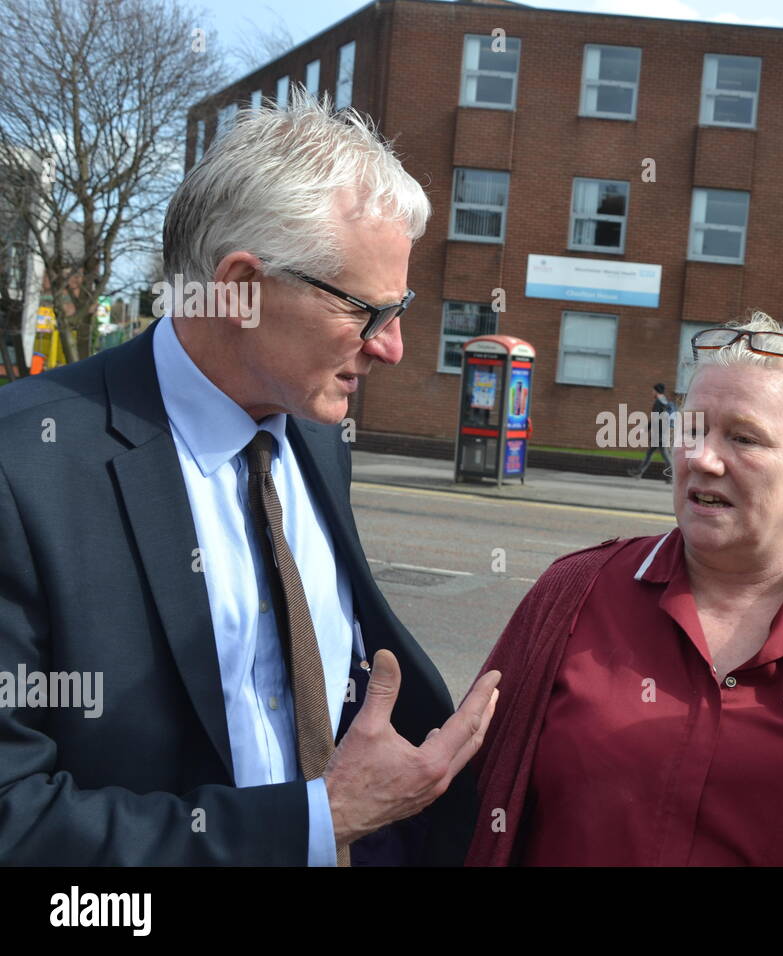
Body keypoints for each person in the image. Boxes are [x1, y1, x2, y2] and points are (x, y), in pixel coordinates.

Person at [0, 91, 499, 865]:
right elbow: (16, 821)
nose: (393, 347)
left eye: (398, 309)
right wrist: (315, 823)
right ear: (240, 286)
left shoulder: (315, 433)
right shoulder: (23, 466)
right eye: (366, 312)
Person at [467, 311, 783, 866]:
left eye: (744, 438)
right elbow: (467, 792)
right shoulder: (572, 594)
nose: (702, 458)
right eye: (691, 430)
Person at [627, 382, 675, 481]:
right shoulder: (665, 401)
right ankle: (639, 472)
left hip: (659, 434)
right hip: (663, 432)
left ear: (656, 391)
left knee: (665, 455)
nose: (652, 392)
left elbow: (654, 419)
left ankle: (673, 475)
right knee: (650, 453)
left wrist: (644, 430)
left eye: (653, 390)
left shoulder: (658, 402)